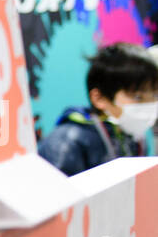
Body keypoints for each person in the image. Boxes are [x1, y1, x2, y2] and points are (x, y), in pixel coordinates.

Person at [38, 42, 158, 176]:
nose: (150, 104)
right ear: (99, 98)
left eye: (154, 95)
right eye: (137, 97)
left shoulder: (133, 136)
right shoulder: (67, 141)